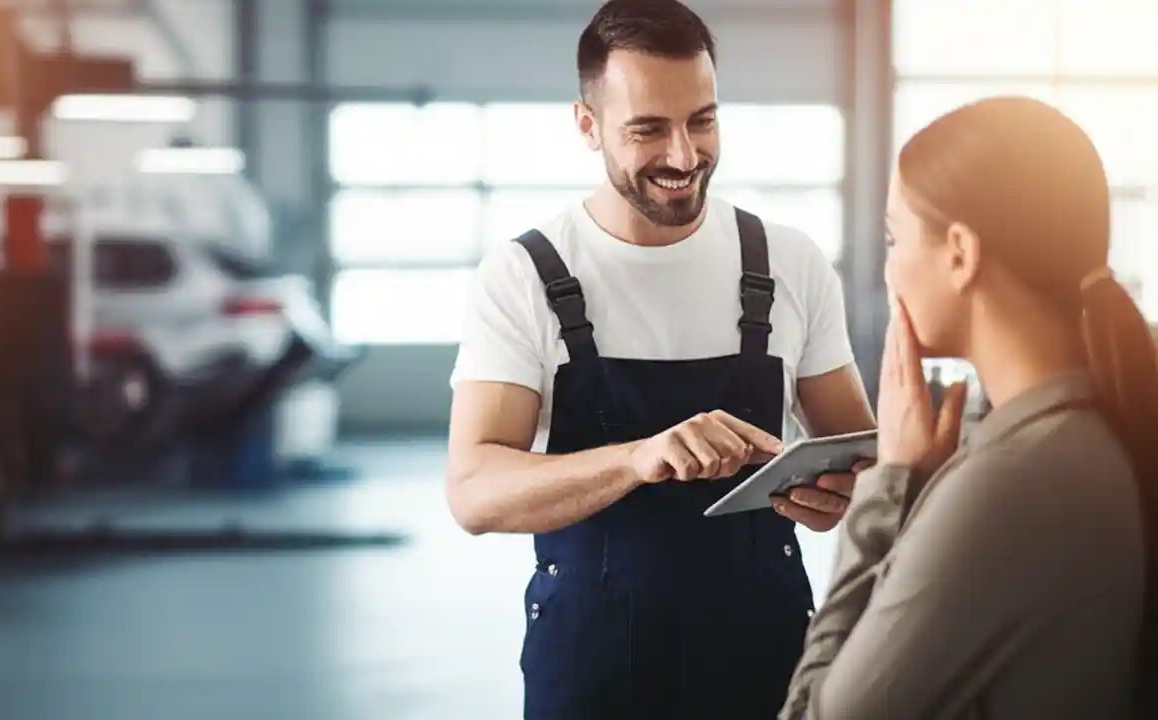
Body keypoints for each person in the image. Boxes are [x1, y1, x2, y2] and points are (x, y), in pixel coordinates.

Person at [445, 0, 876, 716]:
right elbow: (473, 491)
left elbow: (863, 468)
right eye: (647, 129)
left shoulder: (789, 264)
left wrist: (838, 495)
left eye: (702, 121)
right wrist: (637, 459)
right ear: (587, 126)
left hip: (764, 661)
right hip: (591, 670)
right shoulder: (525, 276)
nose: (683, 156)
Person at [779, 96, 1157, 719]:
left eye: (895, 238)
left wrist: (888, 491)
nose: (889, 268)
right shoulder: (1076, 431)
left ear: (960, 252)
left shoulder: (1016, 481)